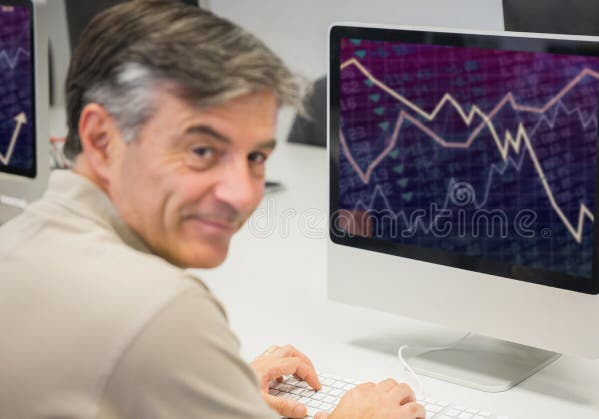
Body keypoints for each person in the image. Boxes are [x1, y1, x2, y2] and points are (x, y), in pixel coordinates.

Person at [0, 1, 424, 418]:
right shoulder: (167, 313)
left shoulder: (15, 241)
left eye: (256, 157)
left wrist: (215, 390)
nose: (242, 194)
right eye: (202, 150)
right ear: (101, 138)